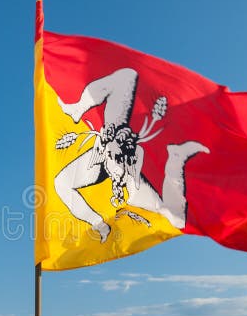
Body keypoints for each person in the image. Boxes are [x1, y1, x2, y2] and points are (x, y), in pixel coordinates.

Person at [54, 67, 209, 242]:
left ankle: (176, 158)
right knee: (127, 76)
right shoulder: (109, 146)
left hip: (124, 165)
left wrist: (174, 166)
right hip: (108, 153)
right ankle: (77, 110)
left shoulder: (133, 178)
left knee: (176, 219)